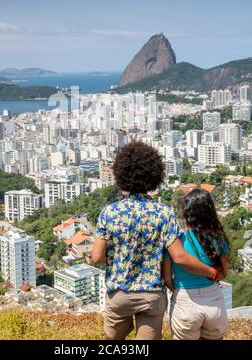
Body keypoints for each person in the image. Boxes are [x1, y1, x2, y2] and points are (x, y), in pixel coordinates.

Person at [92, 141, 222, 341]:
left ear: (121, 174)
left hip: (119, 294)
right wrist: (212, 272)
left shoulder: (109, 213)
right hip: (152, 296)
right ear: (154, 175)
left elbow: (97, 257)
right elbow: (179, 256)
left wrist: (119, 257)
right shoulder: (164, 213)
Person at [163, 189, 230, 340]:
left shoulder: (176, 240)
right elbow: (224, 273)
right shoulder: (218, 238)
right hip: (213, 300)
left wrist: (177, 290)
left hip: (185, 300)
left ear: (186, 212)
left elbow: (166, 278)